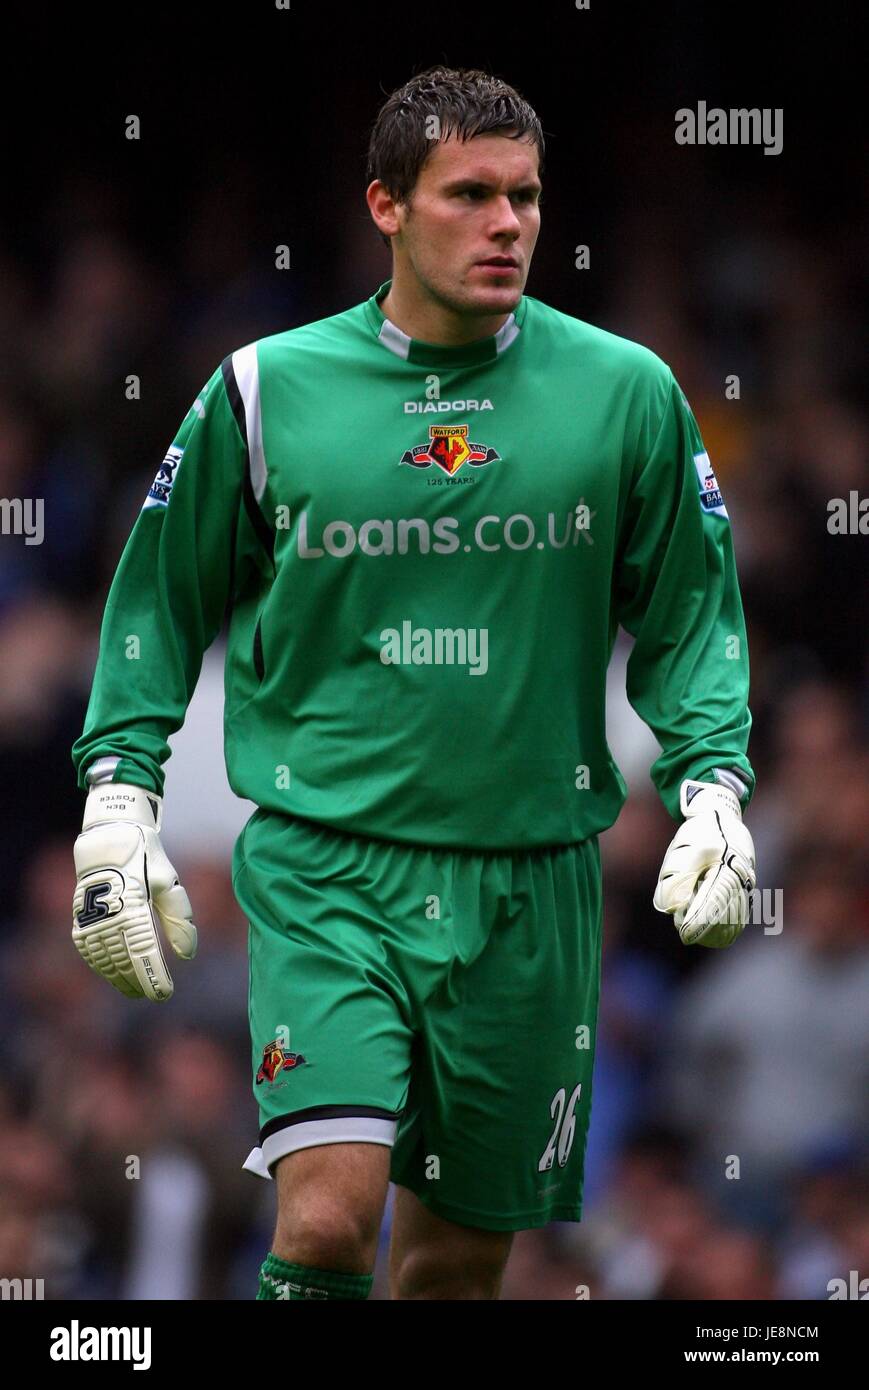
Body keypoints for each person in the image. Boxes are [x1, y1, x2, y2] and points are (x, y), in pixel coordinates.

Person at [71, 65, 757, 1301]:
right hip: (331, 864)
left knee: (450, 1265)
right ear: (384, 205)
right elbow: (157, 604)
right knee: (329, 1218)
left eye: (526, 199)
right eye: (470, 195)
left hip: (531, 879)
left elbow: (690, 612)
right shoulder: (263, 390)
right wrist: (118, 795)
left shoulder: (626, 393)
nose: (507, 225)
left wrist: (713, 784)